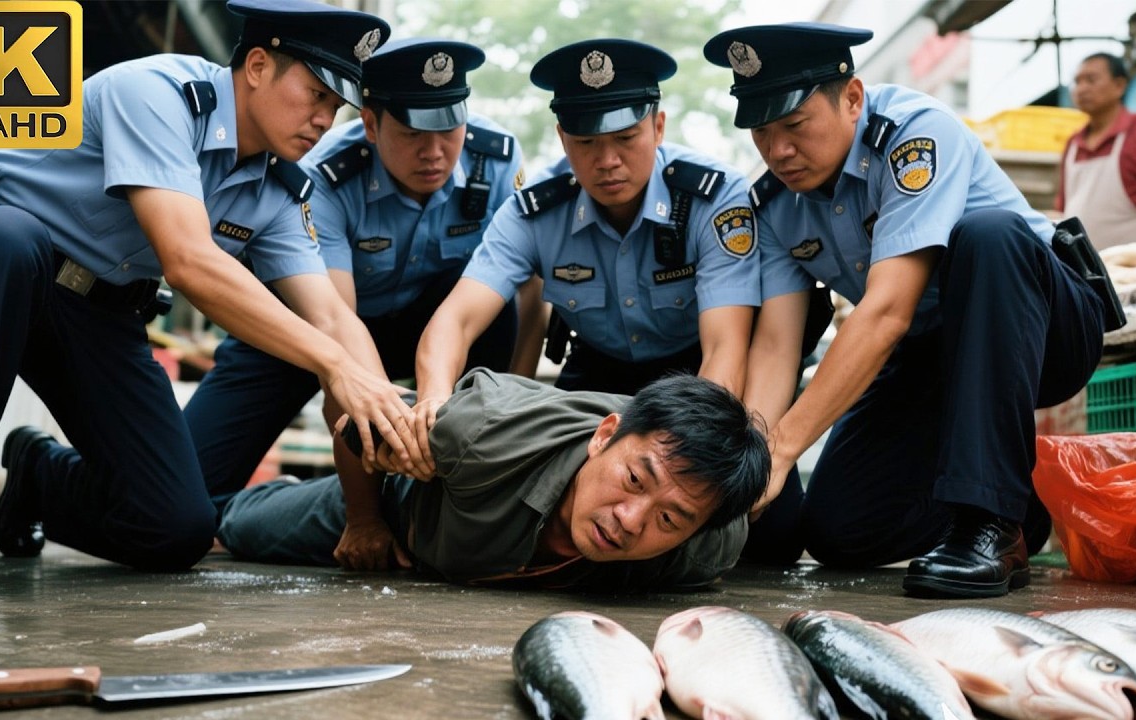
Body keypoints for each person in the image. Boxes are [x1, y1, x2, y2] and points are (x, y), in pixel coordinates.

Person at [0, 0, 421, 612]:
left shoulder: (279, 187)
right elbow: (188, 260)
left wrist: (387, 414)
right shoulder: (159, 93)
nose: (325, 119)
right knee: (10, 240)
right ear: (258, 64)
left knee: (176, 527)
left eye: (337, 106)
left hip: (96, 310)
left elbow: (331, 316)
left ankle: (39, 476)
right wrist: (333, 365)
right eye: (316, 93)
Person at [703, 22, 1106, 598]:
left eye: (794, 125)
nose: (779, 151)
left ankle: (987, 521)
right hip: (930, 348)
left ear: (852, 98)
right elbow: (776, 345)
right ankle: (1018, 511)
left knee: (989, 235)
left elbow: (887, 310)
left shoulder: (915, 134)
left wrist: (787, 448)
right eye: (762, 133)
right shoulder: (772, 206)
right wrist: (757, 459)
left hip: (1043, 330)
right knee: (842, 530)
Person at [184, 38, 536, 512]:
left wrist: (516, 410)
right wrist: (362, 518)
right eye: (413, 134)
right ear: (371, 124)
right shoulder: (324, 179)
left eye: (449, 130)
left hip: (433, 326)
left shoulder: (495, 161)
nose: (435, 152)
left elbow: (530, 293)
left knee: (498, 310)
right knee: (186, 493)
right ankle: (287, 499)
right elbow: (335, 330)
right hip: (311, 326)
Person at [414, 38, 761, 413]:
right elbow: (457, 320)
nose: (607, 160)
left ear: (658, 128)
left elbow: (726, 349)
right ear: (562, 139)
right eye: (586, 141)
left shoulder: (713, 200)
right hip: (598, 368)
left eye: (626, 137)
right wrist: (433, 400)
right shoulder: (533, 213)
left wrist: (688, 444)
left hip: (697, 367)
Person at [216, 368, 770, 593]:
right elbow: (352, 415)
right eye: (633, 480)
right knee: (235, 526)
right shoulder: (480, 432)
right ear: (604, 436)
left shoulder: (710, 541)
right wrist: (364, 520)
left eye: (668, 519)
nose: (630, 521)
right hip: (404, 509)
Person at [1057, 52, 1136, 248]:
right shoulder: (1073, 143)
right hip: (1080, 273)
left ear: (1119, 86)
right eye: (1077, 82)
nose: (1082, 88)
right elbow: (1063, 210)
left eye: (1091, 80)